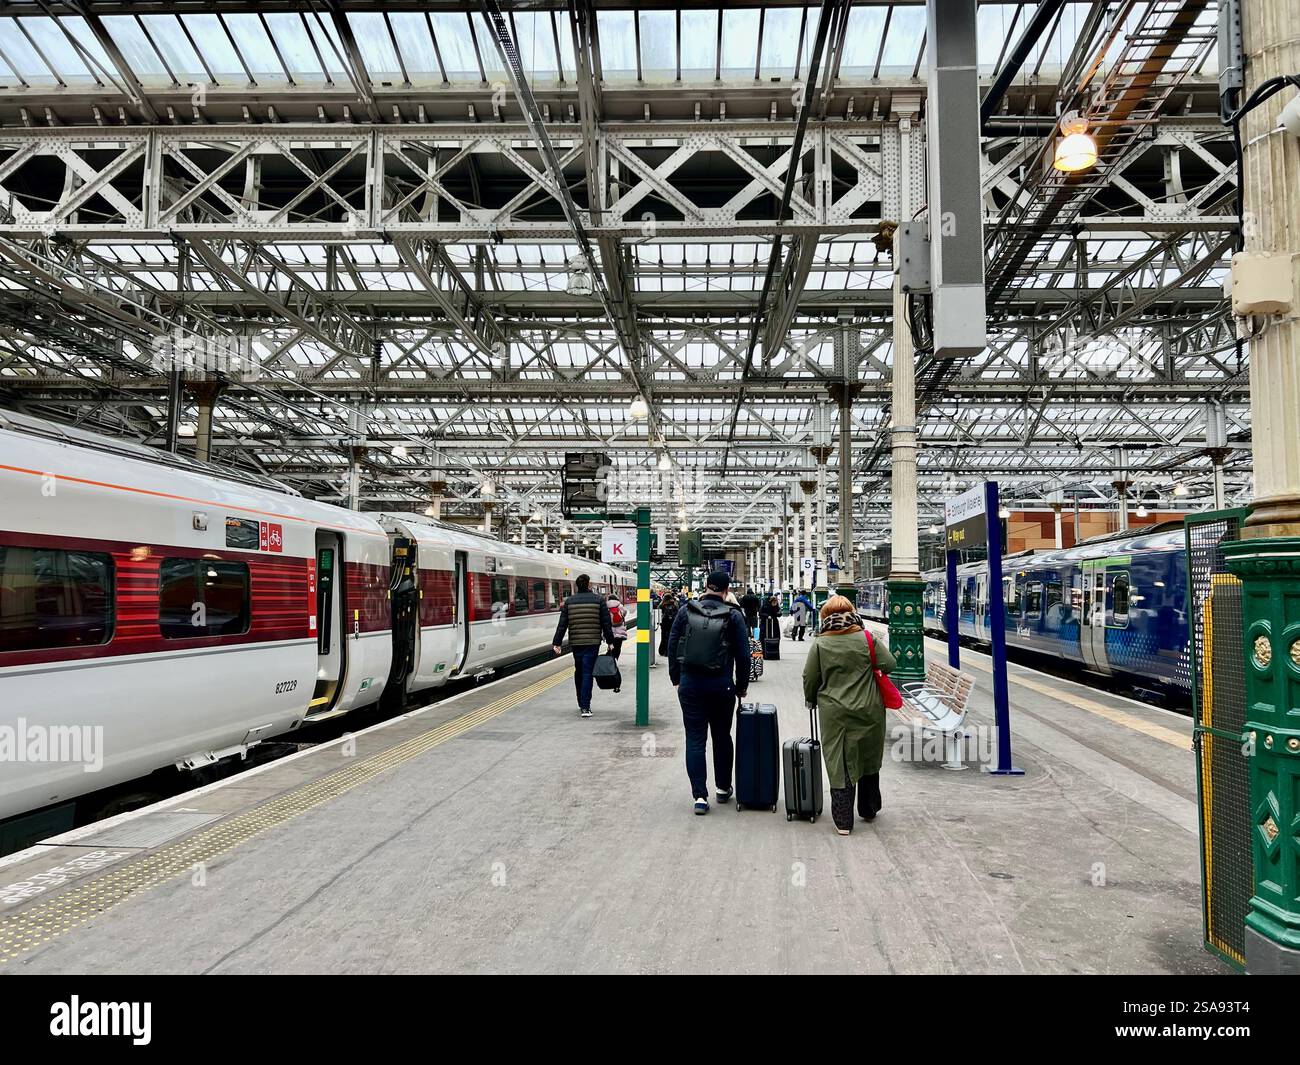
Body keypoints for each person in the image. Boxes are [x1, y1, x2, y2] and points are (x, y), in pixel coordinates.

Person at [802, 595, 897, 835]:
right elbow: (890, 664)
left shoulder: (821, 643)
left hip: (834, 713)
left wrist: (811, 699)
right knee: (868, 757)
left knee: (840, 761)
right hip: (869, 708)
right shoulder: (867, 638)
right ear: (851, 612)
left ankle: (844, 821)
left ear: (825, 616)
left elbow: (810, 677)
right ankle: (868, 808)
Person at [667, 569, 751, 816]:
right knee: (722, 736)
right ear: (726, 591)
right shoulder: (734, 616)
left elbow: (672, 645)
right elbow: (744, 655)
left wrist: (676, 678)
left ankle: (700, 796)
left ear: (705, 586)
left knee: (695, 739)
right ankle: (723, 788)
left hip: (690, 685)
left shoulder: (686, 611)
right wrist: (741, 686)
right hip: (722, 685)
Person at [552, 573, 614, 718]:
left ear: (576, 585)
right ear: (589, 584)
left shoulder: (570, 601)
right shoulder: (599, 600)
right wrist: (610, 641)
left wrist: (557, 642)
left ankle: (581, 701)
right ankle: (585, 707)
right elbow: (606, 623)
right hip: (592, 643)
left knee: (579, 671)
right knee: (587, 673)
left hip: (576, 643)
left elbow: (562, 624)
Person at [606, 593, 628, 660]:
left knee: (611, 647)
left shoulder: (605, 606)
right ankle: (614, 660)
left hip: (610, 631)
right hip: (620, 631)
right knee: (618, 647)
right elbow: (625, 612)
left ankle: (610, 660)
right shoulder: (620, 605)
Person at [658, 590, 678, 657]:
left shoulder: (661, 605)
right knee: (670, 637)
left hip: (664, 624)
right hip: (671, 623)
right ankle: (668, 651)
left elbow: (659, 614)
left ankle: (662, 651)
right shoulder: (674, 605)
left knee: (663, 637)